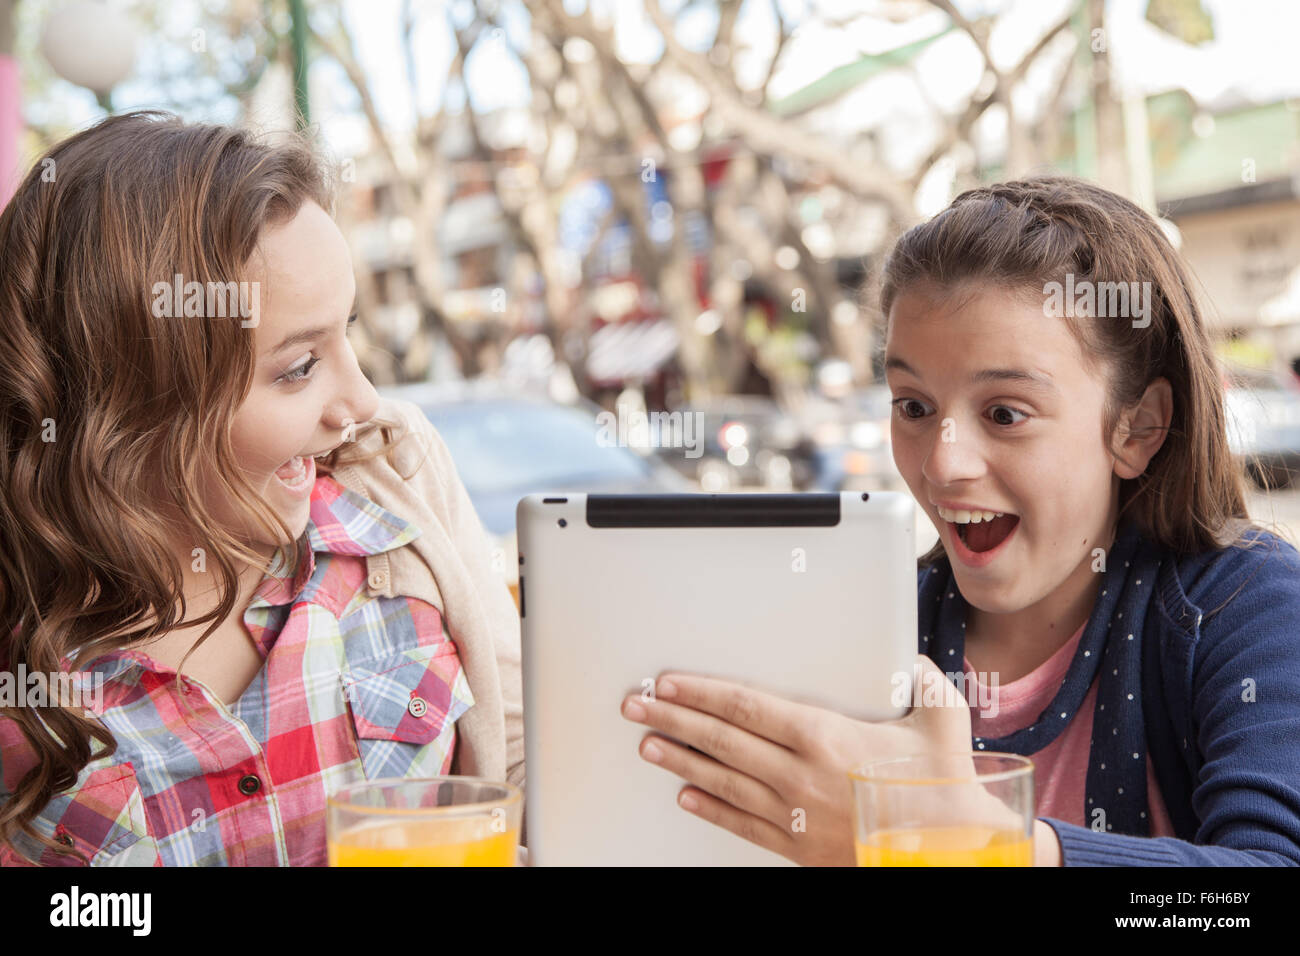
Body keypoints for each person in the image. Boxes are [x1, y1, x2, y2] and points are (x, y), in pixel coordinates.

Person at [621, 176, 1300, 866]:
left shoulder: (1246, 606)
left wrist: (971, 847)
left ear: (1138, 427)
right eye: (913, 406)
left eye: (1005, 413)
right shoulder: (871, 625)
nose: (944, 466)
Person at [0, 111, 524, 866]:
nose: (362, 402)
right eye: (297, 368)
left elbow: (519, 759)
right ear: (129, 409)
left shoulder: (394, 475)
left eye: (348, 331)